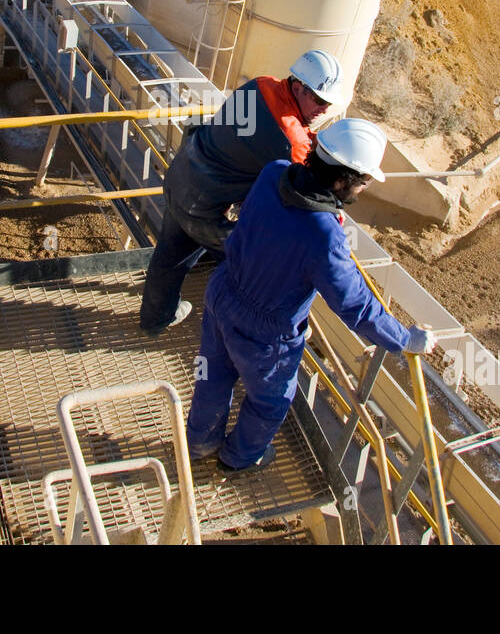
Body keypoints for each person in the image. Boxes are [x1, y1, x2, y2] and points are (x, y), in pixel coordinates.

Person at [185, 118, 437, 472]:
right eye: (363, 182)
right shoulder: (324, 236)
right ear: (340, 180)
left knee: (212, 374)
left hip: (223, 291)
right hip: (264, 333)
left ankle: (199, 443)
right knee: (269, 401)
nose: (363, 190)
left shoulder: (274, 172)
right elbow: (356, 306)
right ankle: (237, 459)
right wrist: (404, 339)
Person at [138, 49, 348, 336]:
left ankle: (156, 318)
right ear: (298, 88)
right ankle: (239, 335)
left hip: (181, 175)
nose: (324, 109)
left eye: (329, 104)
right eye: (320, 100)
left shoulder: (260, 85)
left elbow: (260, 132)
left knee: (170, 256)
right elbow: (308, 197)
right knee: (249, 265)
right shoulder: (292, 143)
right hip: (204, 208)